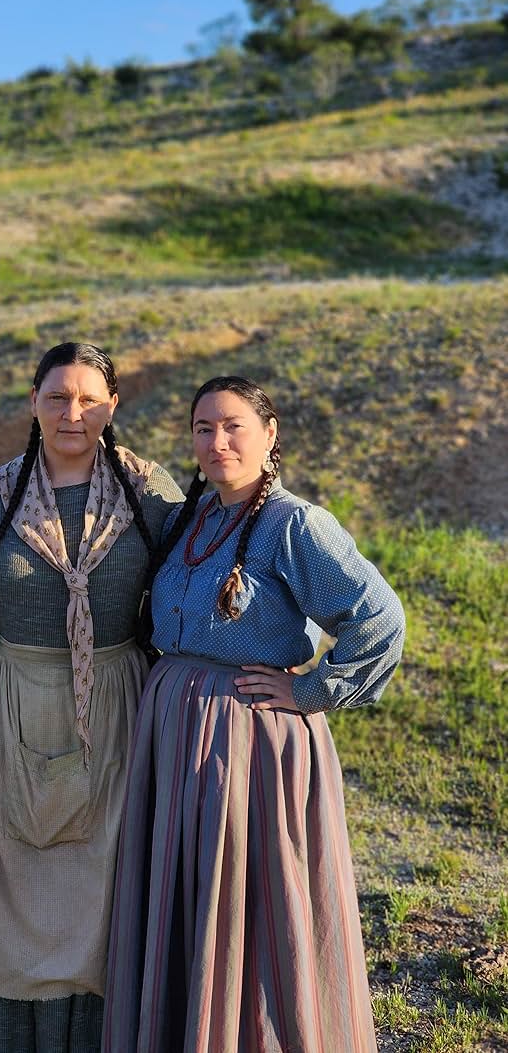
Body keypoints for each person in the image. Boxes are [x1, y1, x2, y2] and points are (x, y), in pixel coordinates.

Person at [103, 375, 405, 1053]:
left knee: (247, 908)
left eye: (235, 425)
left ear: (270, 434)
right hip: (174, 737)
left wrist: (310, 692)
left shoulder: (293, 524)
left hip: (248, 746)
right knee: (185, 901)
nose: (218, 441)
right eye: (203, 427)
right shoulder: (192, 517)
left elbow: (380, 619)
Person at [0, 342, 183, 1053]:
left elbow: (198, 587)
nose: (73, 411)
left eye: (90, 397)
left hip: (118, 715)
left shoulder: (150, 497)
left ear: (114, 405)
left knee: (103, 899)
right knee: (6, 902)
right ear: (33, 401)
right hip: (10, 716)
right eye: (58, 395)